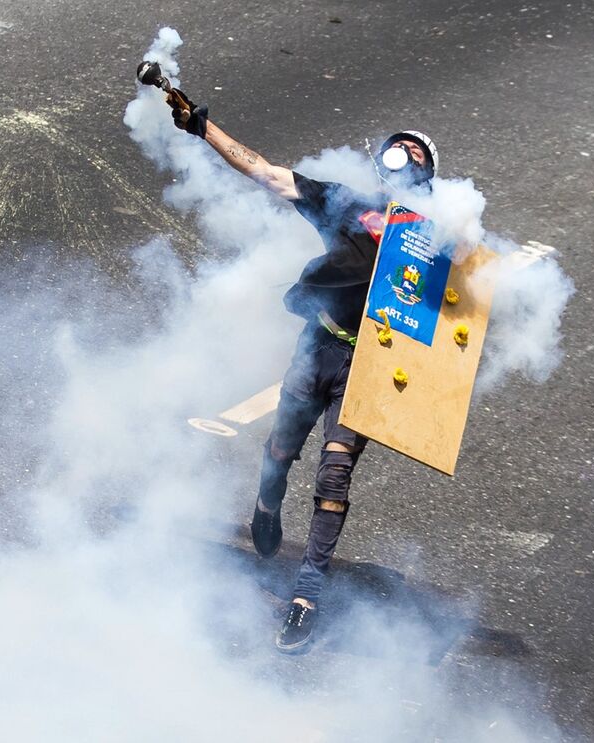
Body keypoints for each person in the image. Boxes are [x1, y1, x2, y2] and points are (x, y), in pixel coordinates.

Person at [167, 93, 438, 653]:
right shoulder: (347, 205)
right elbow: (266, 173)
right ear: (382, 159)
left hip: (367, 367)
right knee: (279, 452)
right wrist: (202, 127)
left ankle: (306, 597)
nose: (407, 156)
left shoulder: (435, 239)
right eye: (400, 147)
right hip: (317, 347)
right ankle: (267, 505)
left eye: (419, 154)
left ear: (430, 176)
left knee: (334, 478)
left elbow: (466, 309)